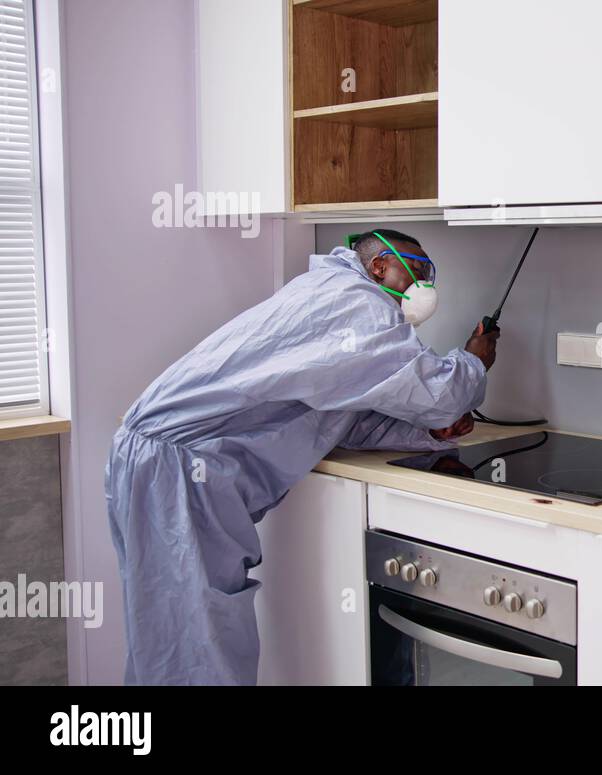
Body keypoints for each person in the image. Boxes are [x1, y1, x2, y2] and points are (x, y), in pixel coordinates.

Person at [104, 229, 498, 685]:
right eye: (419, 270)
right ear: (379, 266)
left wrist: (427, 430)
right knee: (199, 644)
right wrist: (475, 362)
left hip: (158, 458)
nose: (426, 284)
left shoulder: (327, 295)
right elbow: (441, 393)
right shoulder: (357, 305)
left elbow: (334, 415)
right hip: (178, 468)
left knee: (170, 633)